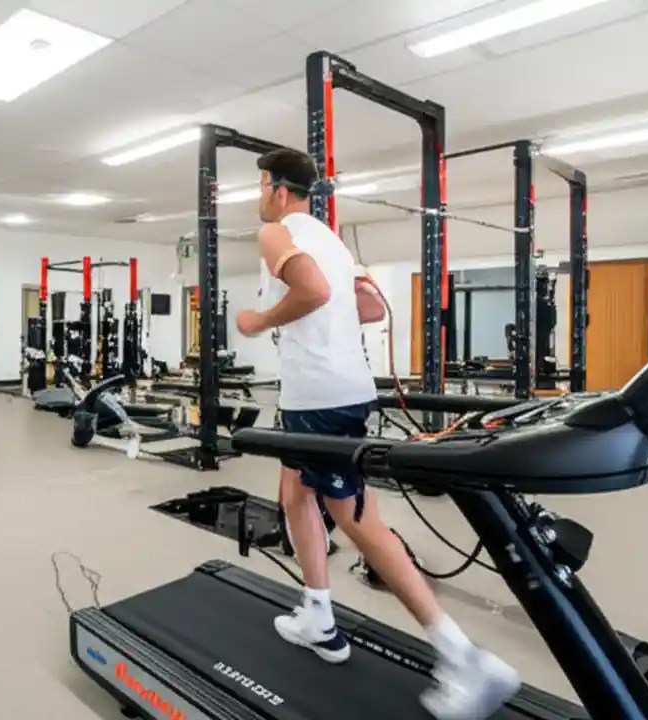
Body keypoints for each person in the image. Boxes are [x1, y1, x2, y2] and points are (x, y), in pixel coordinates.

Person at [235, 148, 521, 720]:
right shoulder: (331, 238)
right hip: (337, 390)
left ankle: (463, 657)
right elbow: (367, 306)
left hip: (319, 397)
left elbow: (314, 292)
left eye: (260, 184)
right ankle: (317, 611)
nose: (258, 195)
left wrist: (259, 320)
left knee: (355, 519)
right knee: (295, 493)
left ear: (275, 188)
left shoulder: (277, 231)